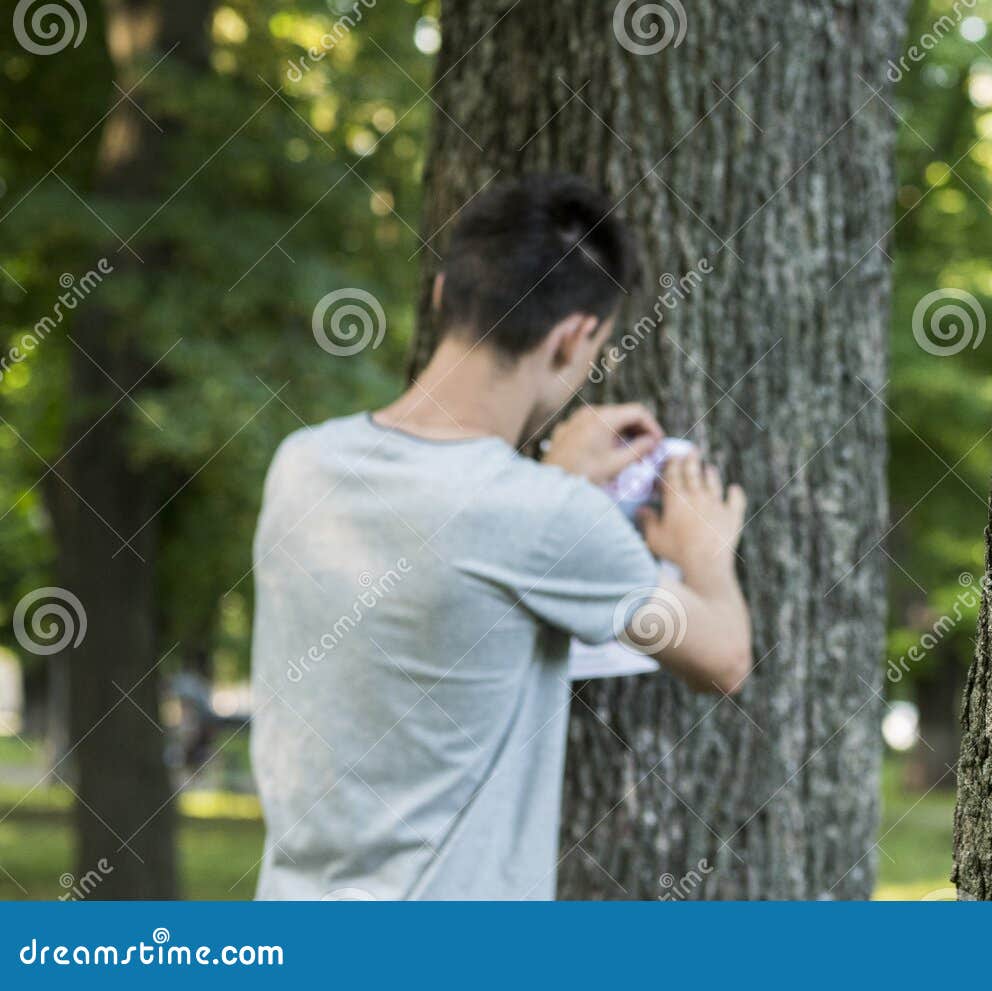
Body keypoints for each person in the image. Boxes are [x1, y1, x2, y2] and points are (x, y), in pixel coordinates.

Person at [248, 173, 751, 900]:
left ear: (444, 291)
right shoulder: (539, 516)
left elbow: (451, 548)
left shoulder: (301, 465)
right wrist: (704, 552)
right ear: (575, 336)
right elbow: (723, 657)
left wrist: (553, 484)